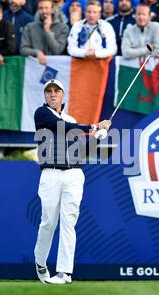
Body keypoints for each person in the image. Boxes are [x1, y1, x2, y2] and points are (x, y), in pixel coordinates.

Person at [34, 79, 111, 284]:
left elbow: (83, 152)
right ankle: (40, 261)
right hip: (50, 174)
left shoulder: (71, 119)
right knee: (48, 222)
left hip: (74, 175)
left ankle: (64, 273)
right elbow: (60, 127)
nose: (52, 94)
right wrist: (94, 125)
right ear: (45, 95)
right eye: (49, 91)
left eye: (56, 91)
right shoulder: (41, 114)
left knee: (69, 222)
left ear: (62, 95)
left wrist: (97, 137)